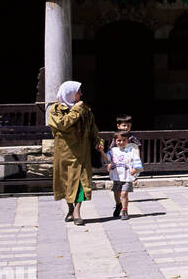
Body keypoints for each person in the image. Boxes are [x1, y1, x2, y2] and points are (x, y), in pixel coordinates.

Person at [48, 81, 102, 226]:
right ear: (70, 93)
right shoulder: (55, 110)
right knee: (67, 182)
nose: (81, 94)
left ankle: (77, 212)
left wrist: (98, 141)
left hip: (82, 153)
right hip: (65, 153)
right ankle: (70, 209)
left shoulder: (85, 109)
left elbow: (92, 128)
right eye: (78, 92)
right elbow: (62, 125)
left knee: (81, 182)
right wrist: (76, 111)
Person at [104, 116, 142, 219]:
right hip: (118, 170)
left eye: (128, 126)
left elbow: (136, 149)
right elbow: (111, 152)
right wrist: (109, 163)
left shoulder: (132, 138)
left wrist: (136, 166)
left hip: (128, 167)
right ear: (118, 126)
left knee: (124, 192)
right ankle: (118, 205)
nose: (126, 128)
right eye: (124, 125)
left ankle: (125, 210)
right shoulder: (116, 137)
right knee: (116, 191)